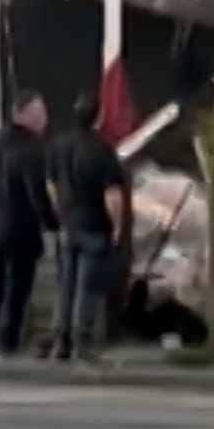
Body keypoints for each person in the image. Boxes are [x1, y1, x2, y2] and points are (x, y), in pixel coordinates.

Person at [0, 89, 57, 361]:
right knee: (18, 289)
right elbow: (36, 193)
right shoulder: (32, 150)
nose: (45, 118)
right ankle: (7, 344)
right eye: (39, 112)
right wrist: (52, 224)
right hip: (22, 228)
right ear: (24, 114)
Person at [47, 91, 127, 362]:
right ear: (98, 116)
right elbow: (112, 196)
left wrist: (59, 212)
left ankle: (61, 340)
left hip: (68, 224)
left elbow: (51, 184)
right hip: (94, 225)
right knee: (87, 286)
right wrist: (117, 226)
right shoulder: (102, 150)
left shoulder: (59, 145)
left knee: (65, 284)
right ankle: (82, 341)